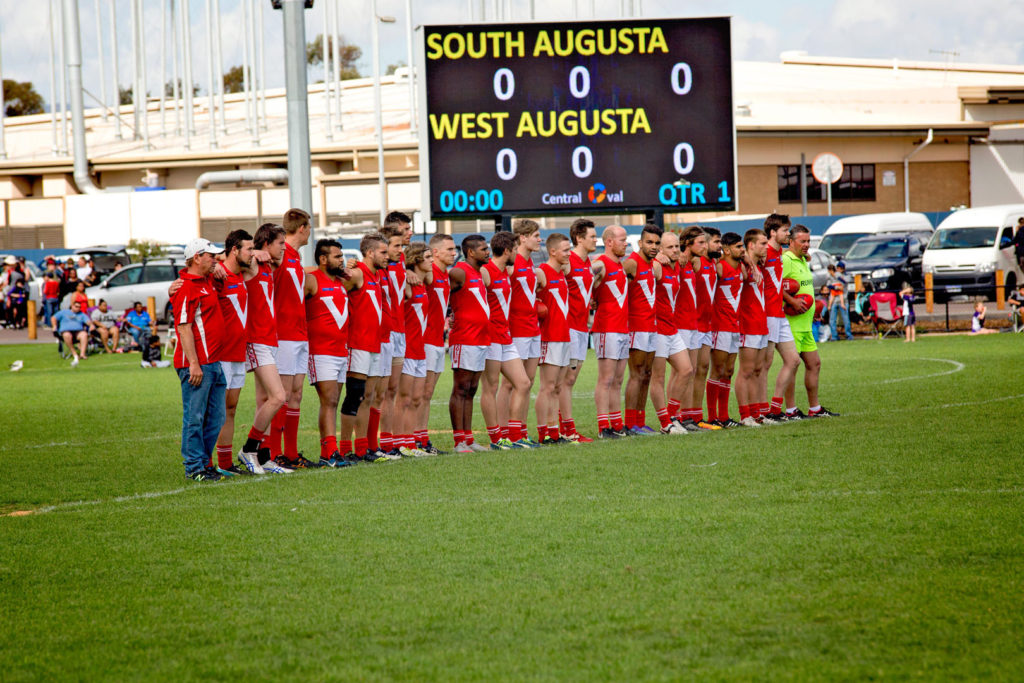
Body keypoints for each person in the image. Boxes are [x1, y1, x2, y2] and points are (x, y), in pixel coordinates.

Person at [171, 238, 228, 481]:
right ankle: (194, 467)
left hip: (213, 361)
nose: (215, 260)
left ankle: (203, 463)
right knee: (195, 416)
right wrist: (194, 363)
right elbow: (183, 327)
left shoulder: (205, 281)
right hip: (197, 364)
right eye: (211, 256)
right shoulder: (187, 287)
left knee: (216, 416)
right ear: (197, 257)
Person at [264, 208, 316, 469]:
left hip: (299, 333)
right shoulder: (279, 256)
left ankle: (292, 453)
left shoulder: (293, 256)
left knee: (295, 394)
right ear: (303, 228)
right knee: (281, 394)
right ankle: (274, 454)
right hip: (283, 334)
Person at [240, 223, 291, 474]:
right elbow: (225, 257)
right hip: (256, 339)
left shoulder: (270, 265)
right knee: (279, 397)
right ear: (266, 243)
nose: (284, 247)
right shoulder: (252, 263)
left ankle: (264, 455)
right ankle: (249, 449)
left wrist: (266, 255)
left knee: (265, 400)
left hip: (270, 339)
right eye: (280, 243)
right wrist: (253, 253)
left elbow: (280, 261)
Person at [303, 238, 356, 468]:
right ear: (323, 259)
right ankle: (330, 452)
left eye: (341, 256)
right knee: (329, 399)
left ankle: (329, 452)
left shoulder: (339, 282)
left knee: (334, 401)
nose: (341, 259)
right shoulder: (313, 280)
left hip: (340, 351)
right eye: (337, 256)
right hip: (320, 351)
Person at [210, 230, 259, 476]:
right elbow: (187, 280)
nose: (252, 253)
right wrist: (213, 267)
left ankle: (226, 463)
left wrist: (257, 252)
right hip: (222, 354)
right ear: (234, 250)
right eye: (248, 249)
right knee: (217, 409)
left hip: (239, 352)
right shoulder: (218, 275)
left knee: (231, 408)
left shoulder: (240, 274)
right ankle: (208, 463)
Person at [480, 231, 533, 449]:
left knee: (523, 383)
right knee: (490, 387)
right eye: (514, 249)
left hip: (506, 337)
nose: (517, 254)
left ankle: (514, 435)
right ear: (507, 250)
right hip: (490, 338)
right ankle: (496, 439)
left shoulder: (506, 271)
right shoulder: (486, 271)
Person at [342, 233, 392, 462]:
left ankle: (363, 449)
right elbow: (333, 286)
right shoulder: (358, 273)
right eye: (383, 252)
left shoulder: (377, 275)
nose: (387, 255)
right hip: (358, 344)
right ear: (370, 253)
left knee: (368, 397)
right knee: (355, 395)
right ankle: (343, 449)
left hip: (374, 343)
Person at [781, 225, 840, 418]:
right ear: (791, 241)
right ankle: (790, 410)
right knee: (792, 365)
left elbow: (804, 289)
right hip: (792, 324)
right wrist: (791, 302)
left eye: (808, 241)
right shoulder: (786, 260)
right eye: (802, 241)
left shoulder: (802, 259)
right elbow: (776, 287)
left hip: (806, 323)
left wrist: (813, 310)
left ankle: (814, 408)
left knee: (814, 364)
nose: (807, 245)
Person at [448, 235, 493, 453]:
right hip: (465, 338)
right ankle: (459, 442)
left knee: (472, 389)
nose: (488, 252)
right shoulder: (459, 271)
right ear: (471, 252)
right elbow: (439, 291)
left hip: (481, 338)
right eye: (484, 249)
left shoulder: (478, 273)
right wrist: (449, 314)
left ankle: (469, 438)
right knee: (461, 388)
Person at [503, 219, 543, 446]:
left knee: (528, 381)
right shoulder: (512, 263)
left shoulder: (529, 263)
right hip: (516, 328)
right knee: (511, 384)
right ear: (522, 238)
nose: (540, 239)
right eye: (536, 235)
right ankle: (504, 434)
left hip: (532, 327)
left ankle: (521, 431)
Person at [379, 212, 414, 456]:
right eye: (397, 243)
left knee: (392, 390)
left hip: (400, 331)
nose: (401, 247)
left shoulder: (400, 261)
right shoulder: (378, 266)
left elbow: (404, 293)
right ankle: (381, 443)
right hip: (386, 332)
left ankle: (393, 442)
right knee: (381, 391)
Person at [761, 214, 802, 423]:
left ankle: (775, 409)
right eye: (785, 230)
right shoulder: (764, 252)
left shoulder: (778, 253)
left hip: (779, 313)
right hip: (767, 315)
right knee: (765, 365)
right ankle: (761, 411)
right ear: (772, 232)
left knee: (793, 360)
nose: (789, 233)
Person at [534, 233, 574, 445]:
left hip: (563, 335)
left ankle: (554, 431)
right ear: (553, 251)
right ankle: (544, 434)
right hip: (549, 337)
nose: (569, 253)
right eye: (566, 250)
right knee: (547, 387)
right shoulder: (542, 272)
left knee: (558, 387)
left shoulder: (561, 273)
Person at [623, 223, 663, 434]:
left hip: (651, 326)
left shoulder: (653, 265)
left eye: (657, 243)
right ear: (640, 243)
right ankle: (630, 423)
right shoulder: (631, 263)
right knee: (636, 374)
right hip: (636, 327)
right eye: (649, 242)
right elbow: (615, 289)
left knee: (647, 374)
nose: (653, 246)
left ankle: (640, 420)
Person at [651, 231, 692, 435]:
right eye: (670, 247)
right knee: (657, 378)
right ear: (660, 250)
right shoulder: (657, 265)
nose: (675, 250)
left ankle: (673, 416)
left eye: (677, 246)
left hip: (671, 327)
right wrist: (654, 260)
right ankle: (665, 423)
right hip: (656, 329)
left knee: (686, 370)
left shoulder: (678, 263)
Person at [592, 225, 630, 438]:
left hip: (622, 328)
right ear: (609, 242)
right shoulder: (601, 264)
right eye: (622, 239)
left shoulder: (620, 265)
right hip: (607, 329)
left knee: (617, 380)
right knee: (605, 380)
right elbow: (584, 278)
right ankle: (603, 427)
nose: (625, 243)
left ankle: (617, 424)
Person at [396, 242, 434, 457]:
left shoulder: (422, 282)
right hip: (408, 348)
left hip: (420, 349)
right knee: (405, 398)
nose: (431, 260)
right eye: (427, 257)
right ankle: (402, 443)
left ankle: (411, 443)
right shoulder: (407, 284)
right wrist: (406, 272)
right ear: (417, 260)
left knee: (417, 398)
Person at [562, 218, 598, 443]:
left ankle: (564, 428)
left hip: (581, 327)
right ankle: (567, 430)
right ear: (579, 238)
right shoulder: (568, 261)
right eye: (592, 236)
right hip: (568, 328)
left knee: (569, 381)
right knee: (566, 381)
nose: (596, 239)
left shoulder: (588, 263)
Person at [420, 233, 456, 455]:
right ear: (435, 253)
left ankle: (422, 439)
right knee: (419, 394)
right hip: (423, 341)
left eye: (454, 249)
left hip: (436, 340)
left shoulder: (445, 274)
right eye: (449, 249)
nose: (454, 253)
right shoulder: (428, 272)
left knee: (427, 394)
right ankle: (414, 439)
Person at [673, 226, 710, 431]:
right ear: (688, 244)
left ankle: (687, 418)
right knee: (681, 372)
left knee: (692, 371)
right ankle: (673, 417)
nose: (704, 246)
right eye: (701, 243)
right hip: (680, 324)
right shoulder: (678, 262)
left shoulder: (693, 264)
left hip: (693, 323)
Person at [707, 232, 744, 428]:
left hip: (734, 325)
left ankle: (724, 416)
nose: (743, 249)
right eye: (738, 247)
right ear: (727, 250)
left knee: (729, 371)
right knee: (718, 370)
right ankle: (713, 416)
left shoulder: (741, 268)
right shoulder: (720, 267)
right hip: (720, 326)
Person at [736, 229, 771, 427]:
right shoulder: (743, 266)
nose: (766, 247)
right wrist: (746, 260)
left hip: (761, 324)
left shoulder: (759, 265)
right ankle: (745, 415)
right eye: (763, 244)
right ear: (751, 245)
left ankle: (757, 413)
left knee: (758, 369)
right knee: (746, 371)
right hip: (747, 324)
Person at [691, 227, 723, 430]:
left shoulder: (712, 263)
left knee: (702, 370)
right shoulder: (696, 262)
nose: (719, 246)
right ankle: (687, 416)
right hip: (693, 325)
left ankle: (698, 416)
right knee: (690, 371)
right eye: (716, 242)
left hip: (707, 325)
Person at [52, 299, 95, 366]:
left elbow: (88, 321)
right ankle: (74, 354)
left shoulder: (82, 314)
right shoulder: (64, 312)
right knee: (67, 335)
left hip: (78, 332)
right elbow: (54, 318)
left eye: (79, 307)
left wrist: (91, 325)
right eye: (76, 306)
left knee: (84, 334)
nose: (78, 308)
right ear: (72, 306)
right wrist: (54, 326)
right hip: (66, 331)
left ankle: (82, 354)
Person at [829, 261, 854, 341]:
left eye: (841, 268)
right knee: (832, 319)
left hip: (843, 300)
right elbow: (829, 286)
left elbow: (844, 282)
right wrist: (836, 287)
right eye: (838, 268)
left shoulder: (846, 276)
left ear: (843, 269)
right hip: (834, 300)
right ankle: (834, 336)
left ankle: (849, 335)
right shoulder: (832, 277)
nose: (839, 269)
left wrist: (837, 276)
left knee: (846, 319)